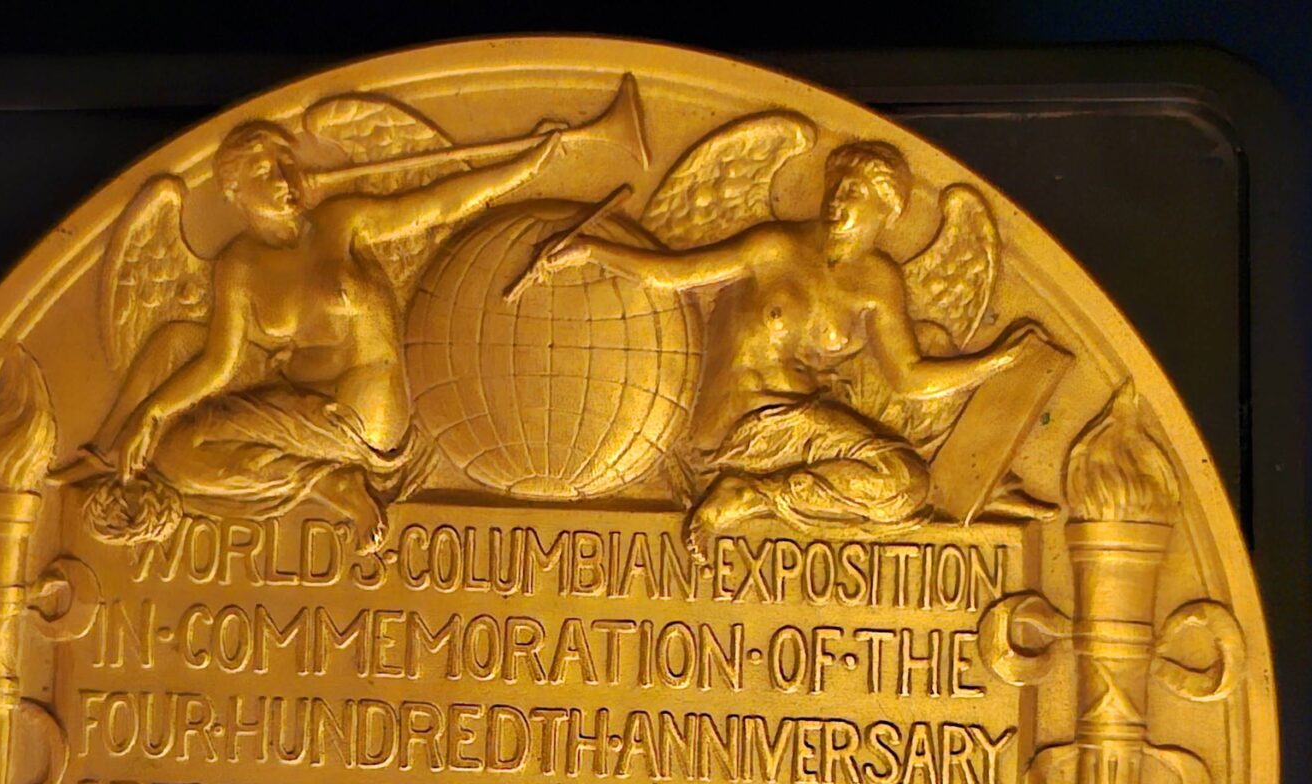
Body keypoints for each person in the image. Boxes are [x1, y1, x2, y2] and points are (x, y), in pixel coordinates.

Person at [543, 139, 1049, 560]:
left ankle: (754, 495)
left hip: (802, 425)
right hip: (740, 418)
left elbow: (910, 376)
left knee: (906, 486)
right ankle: (743, 491)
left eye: (854, 191)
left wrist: (996, 361)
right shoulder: (775, 246)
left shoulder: (878, 282)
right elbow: (675, 274)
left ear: (888, 207)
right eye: (836, 186)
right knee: (903, 481)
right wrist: (592, 250)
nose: (838, 199)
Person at [97, 118, 568, 552]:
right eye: (264, 172)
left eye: (286, 166)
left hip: (362, 415)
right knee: (176, 410)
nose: (283, 180)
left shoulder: (338, 222)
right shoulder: (237, 267)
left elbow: (436, 205)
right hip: (299, 409)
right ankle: (323, 481)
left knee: (177, 456)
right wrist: (151, 411)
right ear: (232, 189)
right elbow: (216, 364)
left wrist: (526, 167)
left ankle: (329, 485)